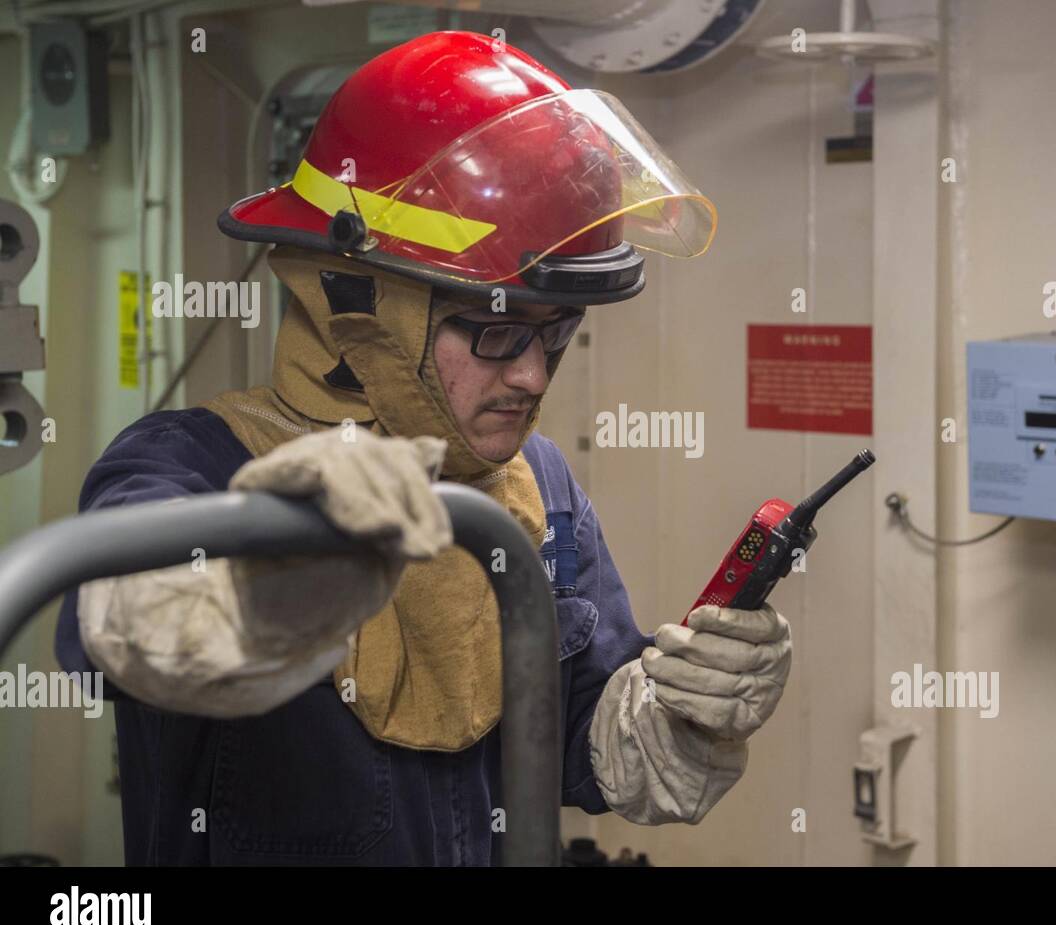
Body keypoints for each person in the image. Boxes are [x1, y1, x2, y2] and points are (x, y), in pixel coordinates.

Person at [54, 31, 792, 865]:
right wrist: (276, 566)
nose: (531, 376)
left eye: (557, 335)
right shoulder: (186, 465)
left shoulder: (532, 484)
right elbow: (126, 631)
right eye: (494, 333)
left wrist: (685, 712)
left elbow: (577, 740)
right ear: (356, 303)